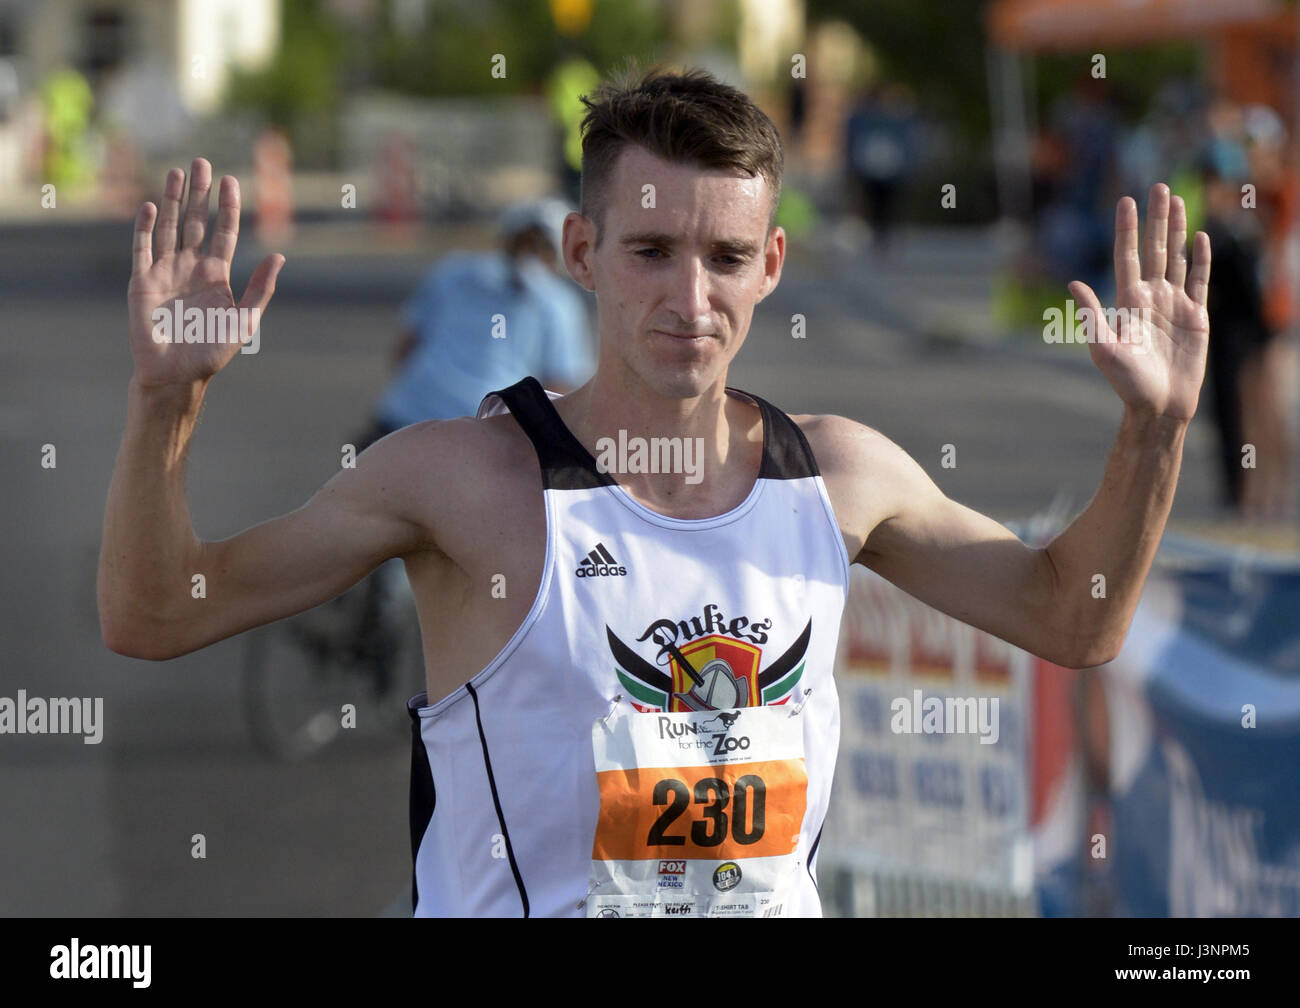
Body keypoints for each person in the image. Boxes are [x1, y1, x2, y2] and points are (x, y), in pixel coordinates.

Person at [99, 68, 1211, 918]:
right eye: (649, 250)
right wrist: (164, 406)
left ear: (772, 264)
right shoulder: (466, 480)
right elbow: (156, 614)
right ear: (581, 250)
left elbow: (1075, 614)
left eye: (725, 257)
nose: (690, 297)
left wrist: (1155, 429)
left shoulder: (835, 476)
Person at [363, 198, 594, 451]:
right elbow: (558, 389)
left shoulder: (451, 271)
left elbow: (406, 348)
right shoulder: (557, 301)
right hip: (479, 437)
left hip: (401, 419)